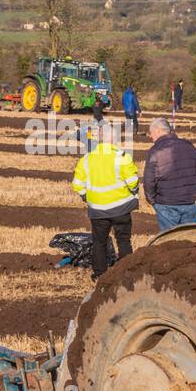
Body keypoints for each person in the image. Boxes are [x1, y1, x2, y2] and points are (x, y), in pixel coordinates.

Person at [72, 116, 140, 279]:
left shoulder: (86, 159)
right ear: (114, 139)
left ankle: (99, 274)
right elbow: (133, 182)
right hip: (121, 209)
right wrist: (132, 192)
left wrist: (86, 197)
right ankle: (127, 273)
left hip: (98, 210)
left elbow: (77, 184)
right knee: (124, 241)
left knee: (99, 242)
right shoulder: (122, 157)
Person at [142, 117, 196, 231]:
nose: (151, 137)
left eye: (151, 133)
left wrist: (152, 201)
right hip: (189, 202)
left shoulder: (155, 151)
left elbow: (149, 180)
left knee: (170, 242)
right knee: (188, 239)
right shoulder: (189, 147)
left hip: (166, 204)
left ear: (158, 131)